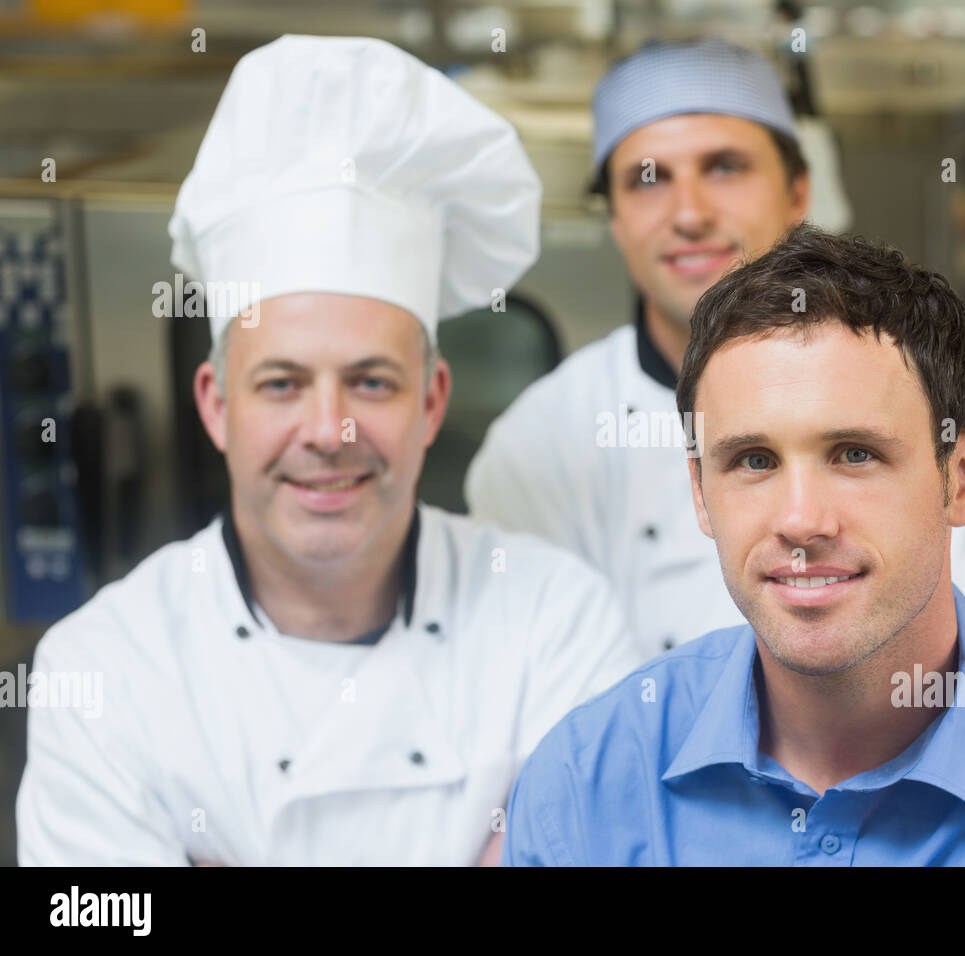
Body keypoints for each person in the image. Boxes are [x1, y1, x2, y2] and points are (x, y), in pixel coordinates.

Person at [17, 35, 638, 866]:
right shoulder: (103, 671)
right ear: (216, 404)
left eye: (372, 382)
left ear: (430, 402)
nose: (329, 430)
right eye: (281, 384)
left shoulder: (557, 621)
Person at [501, 224, 965, 866]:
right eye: (753, 461)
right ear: (702, 492)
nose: (801, 520)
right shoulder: (583, 782)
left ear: (964, 476)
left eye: (855, 454)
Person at [464, 38, 965, 661]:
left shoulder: (913, 402)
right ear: (615, 219)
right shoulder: (537, 443)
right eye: (648, 180)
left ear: (798, 192)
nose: (689, 213)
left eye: (724, 167)